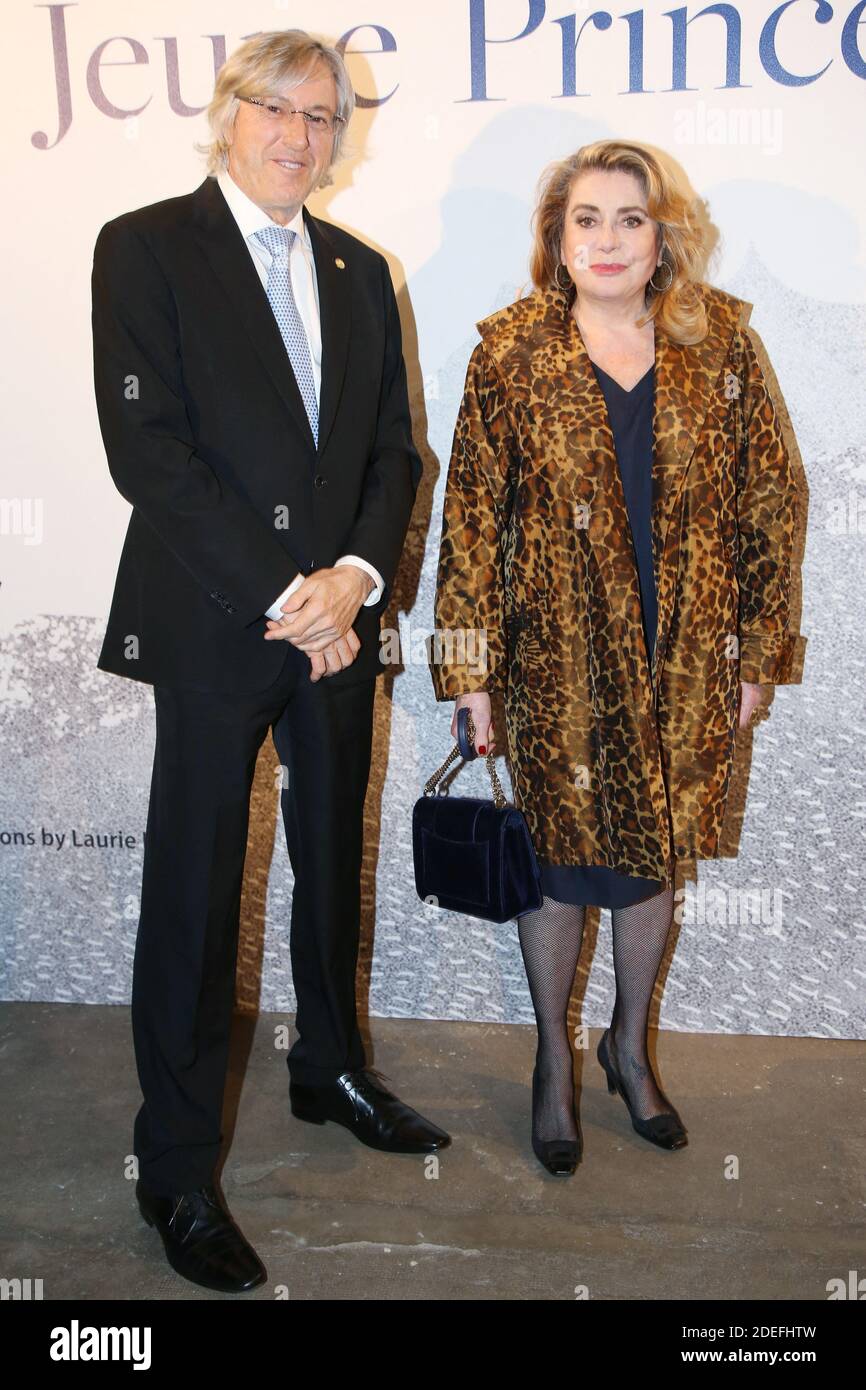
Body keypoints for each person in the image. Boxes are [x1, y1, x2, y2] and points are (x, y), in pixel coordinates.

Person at [91, 29, 448, 1294]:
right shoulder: (144, 245)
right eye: (275, 108)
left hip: (339, 624)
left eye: (322, 114)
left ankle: (329, 1068)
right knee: (194, 893)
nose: (298, 134)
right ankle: (176, 1169)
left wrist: (352, 580)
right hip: (213, 618)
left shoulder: (360, 268)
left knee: (331, 861)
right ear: (225, 113)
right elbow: (148, 449)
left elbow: (396, 456)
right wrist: (283, 590)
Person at [430, 139, 806, 1176]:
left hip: (682, 657)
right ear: (555, 237)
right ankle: (552, 1058)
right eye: (584, 218)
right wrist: (467, 670)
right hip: (554, 663)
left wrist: (758, 649)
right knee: (556, 866)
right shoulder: (506, 353)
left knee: (648, 867)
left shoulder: (720, 343)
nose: (605, 239)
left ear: (660, 236)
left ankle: (627, 1049)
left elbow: (774, 503)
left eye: (627, 219)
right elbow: (467, 521)